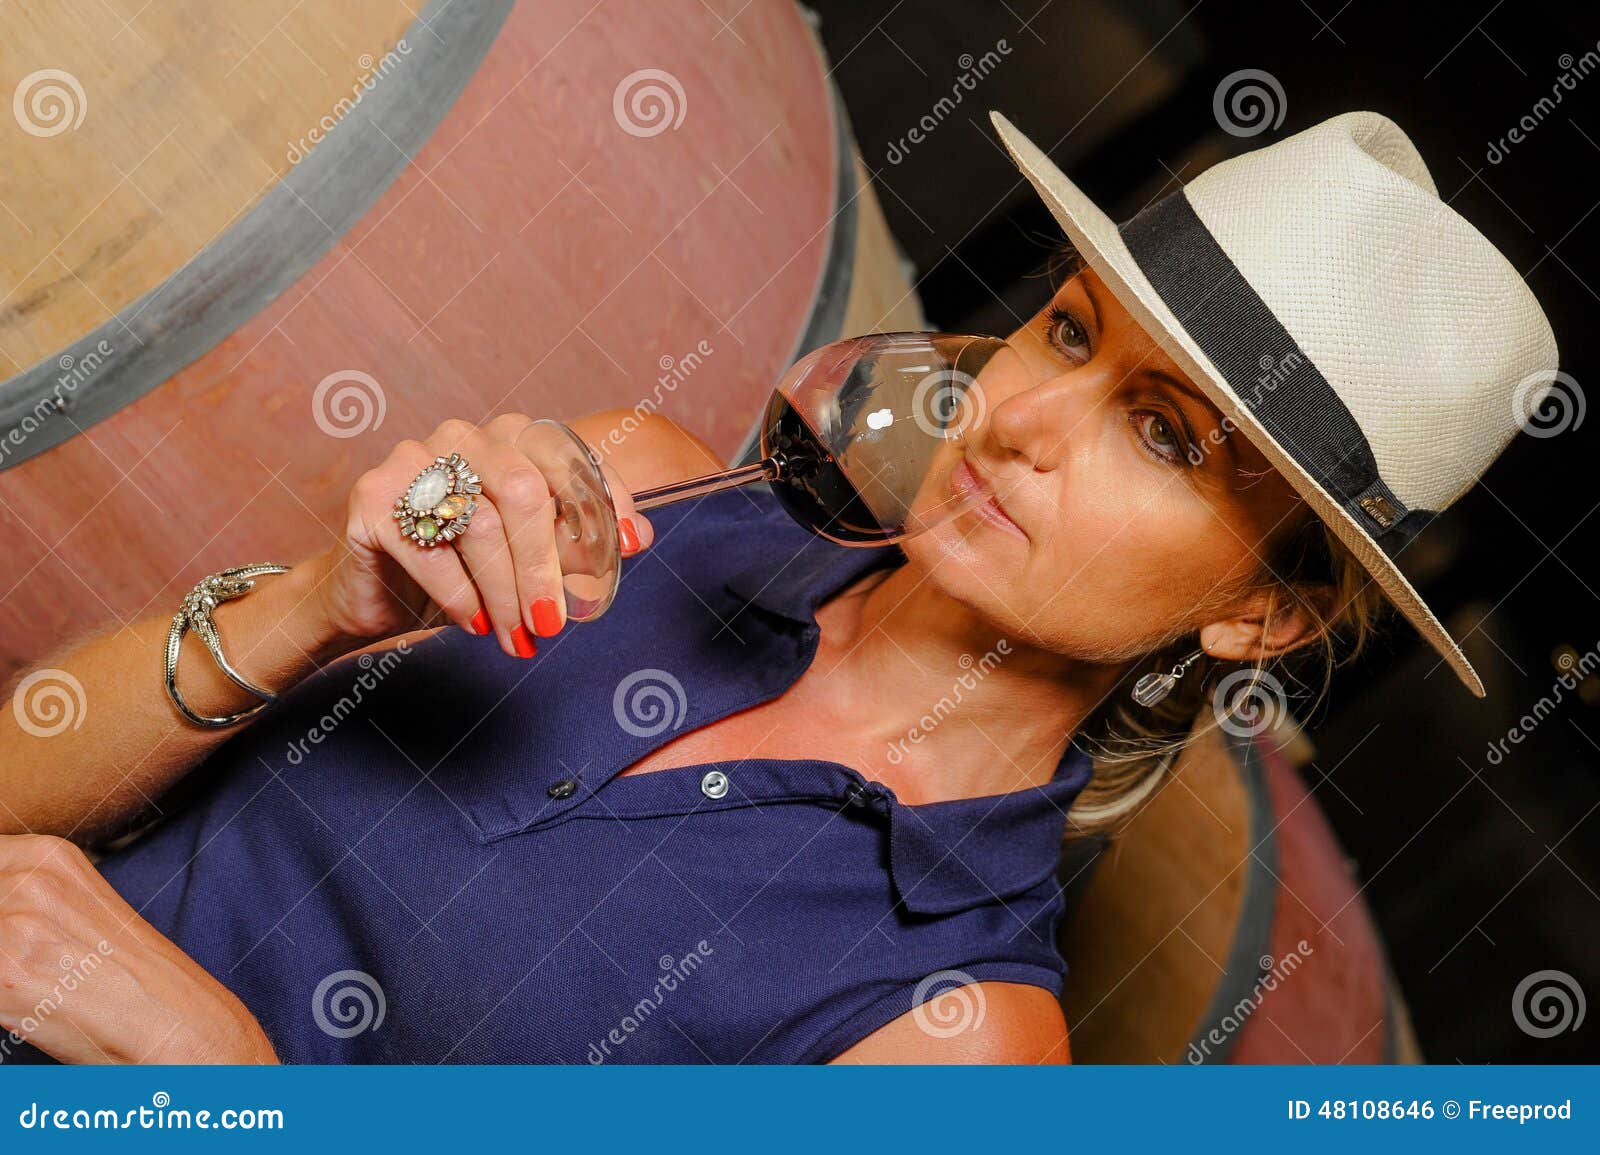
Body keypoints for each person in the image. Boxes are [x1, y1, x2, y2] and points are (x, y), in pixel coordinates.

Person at [0, 110, 1558, 1064]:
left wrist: (218, 1078)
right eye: (1071, 335)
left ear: (1261, 617)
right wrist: (317, 604)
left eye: (1161, 437)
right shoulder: (632, 489)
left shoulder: (957, 1040)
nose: (1018, 418)